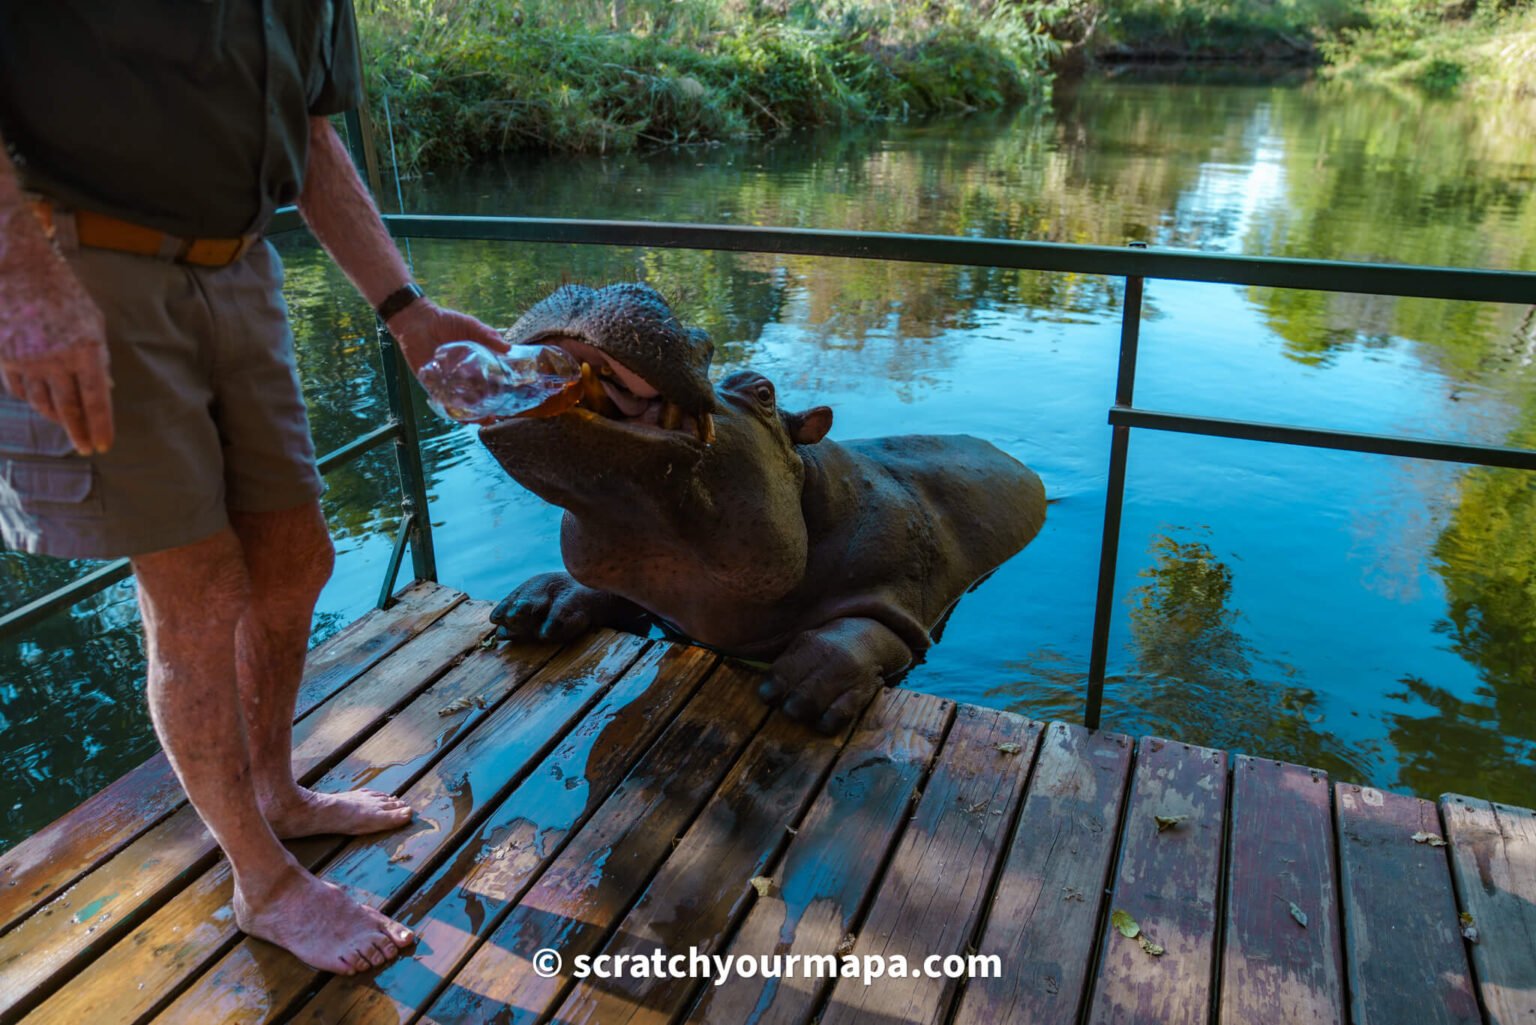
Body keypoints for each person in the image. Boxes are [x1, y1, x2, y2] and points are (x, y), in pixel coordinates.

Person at [0, 3, 505, 975]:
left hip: (242, 265)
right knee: (197, 592)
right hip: (80, 262)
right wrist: (17, 274)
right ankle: (261, 881)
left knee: (293, 559)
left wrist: (408, 311)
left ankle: (276, 792)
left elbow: (309, 139)